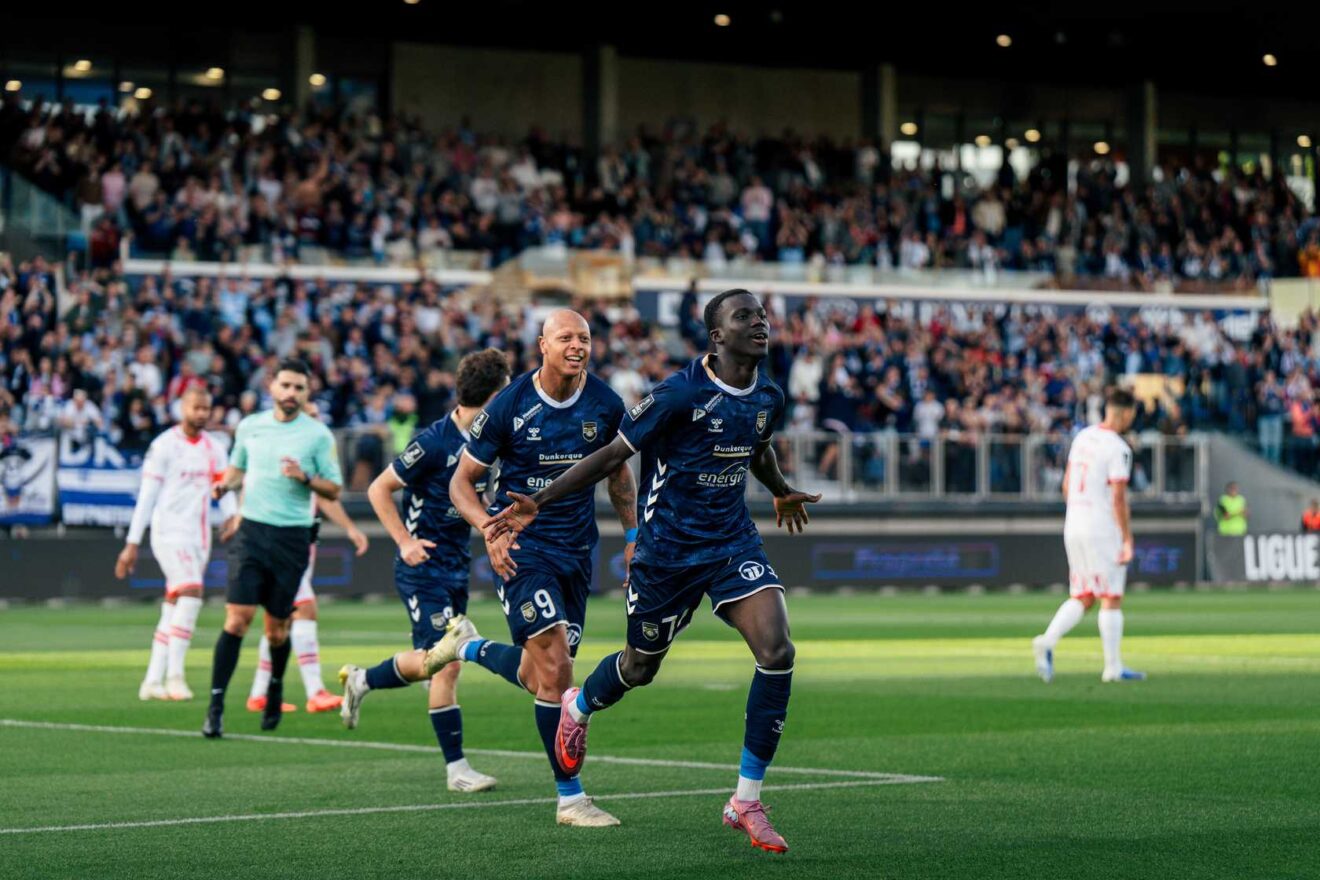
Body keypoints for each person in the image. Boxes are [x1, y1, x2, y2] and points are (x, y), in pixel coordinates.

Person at [477, 289, 821, 853]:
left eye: (762, 316)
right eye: (745, 316)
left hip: (732, 542)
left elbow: (756, 448)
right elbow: (613, 455)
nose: (759, 324)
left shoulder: (769, 395)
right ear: (717, 336)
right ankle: (578, 705)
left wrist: (780, 490)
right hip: (666, 554)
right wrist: (541, 498)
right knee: (639, 668)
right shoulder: (679, 392)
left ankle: (746, 800)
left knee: (778, 650)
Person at [431, 310, 637, 827]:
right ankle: (571, 798)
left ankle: (467, 647)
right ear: (542, 344)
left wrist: (634, 537)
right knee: (558, 672)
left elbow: (618, 477)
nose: (577, 345)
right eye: (566, 337)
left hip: (576, 552)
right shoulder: (509, 404)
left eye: (585, 338)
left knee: (535, 675)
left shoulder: (606, 404)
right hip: (522, 551)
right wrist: (489, 527)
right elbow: (461, 483)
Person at [338, 349, 510, 794]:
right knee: (447, 664)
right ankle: (457, 770)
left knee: (437, 663)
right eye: (506, 390)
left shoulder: (492, 437)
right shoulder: (434, 441)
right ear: (493, 396)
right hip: (423, 567)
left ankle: (363, 679)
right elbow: (379, 488)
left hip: (454, 564)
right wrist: (404, 541)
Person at [205, 358, 343, 738]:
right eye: (285, 385)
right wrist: (223, 485)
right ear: (272, 387)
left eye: (299, 387)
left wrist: (305, 478)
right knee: (236, 619)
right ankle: (215, 706)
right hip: (251, 533)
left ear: (307, 392)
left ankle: (275, 687)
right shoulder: (250, 427)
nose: (291, 393)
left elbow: (334, 488)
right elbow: (236, 471)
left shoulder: (318, 435)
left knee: (278, 629)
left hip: (292, 538)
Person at [115, 386, 238, 701]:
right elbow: (147, 497)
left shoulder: (215, 447)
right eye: (196, 407)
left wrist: (232, 518)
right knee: (192, 594)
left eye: (206, 408)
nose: (202, 414)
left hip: (199, 536)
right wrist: (132, 543)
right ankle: (175, 676)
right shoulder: (164, 446)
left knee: (173, 605)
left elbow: (222, 489)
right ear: (181, 408)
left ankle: (151, 681)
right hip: (169, 532)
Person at [246, 403, 367, 715]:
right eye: (309, 417)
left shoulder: (309, 463)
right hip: (282, 547)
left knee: (280, 619)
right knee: (305, 609)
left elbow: (326, 499)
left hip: (299, 546)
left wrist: (351, 528)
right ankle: (315, 691)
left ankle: (258, 693)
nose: (315, 425)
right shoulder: (285, 460)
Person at [1033, 387, 1145, 684]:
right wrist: (1127, 539)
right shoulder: (1117, 448)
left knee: (1083, 594)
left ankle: (1047, 640)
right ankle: (1113, 667)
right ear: (1123, 413)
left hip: (1074, 522)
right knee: (1111, 596)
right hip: (1101, 526)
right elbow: (1118, 499)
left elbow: (1067, 485)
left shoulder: (1083, 437)